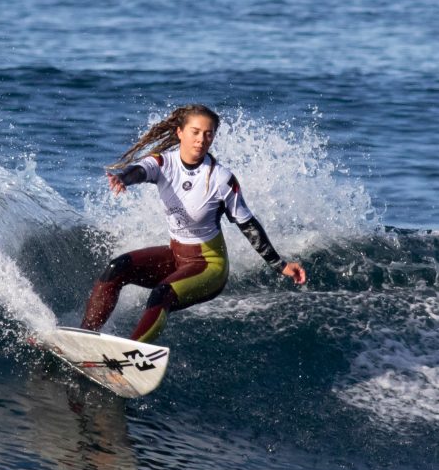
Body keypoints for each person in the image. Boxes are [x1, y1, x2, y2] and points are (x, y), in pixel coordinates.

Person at [80, 105, 306, 342]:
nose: (201, 140)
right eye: (195, 132)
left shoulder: (221, 178)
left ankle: (132, 354)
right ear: (180, 132)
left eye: (208, 134)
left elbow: (247, 224)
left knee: (161, 294)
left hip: (209, 266)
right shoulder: (163, 164)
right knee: (118, 267)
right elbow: (139, 170)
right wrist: (123, 178)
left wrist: (280, 265)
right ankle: (85, 336)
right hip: (177, 257)